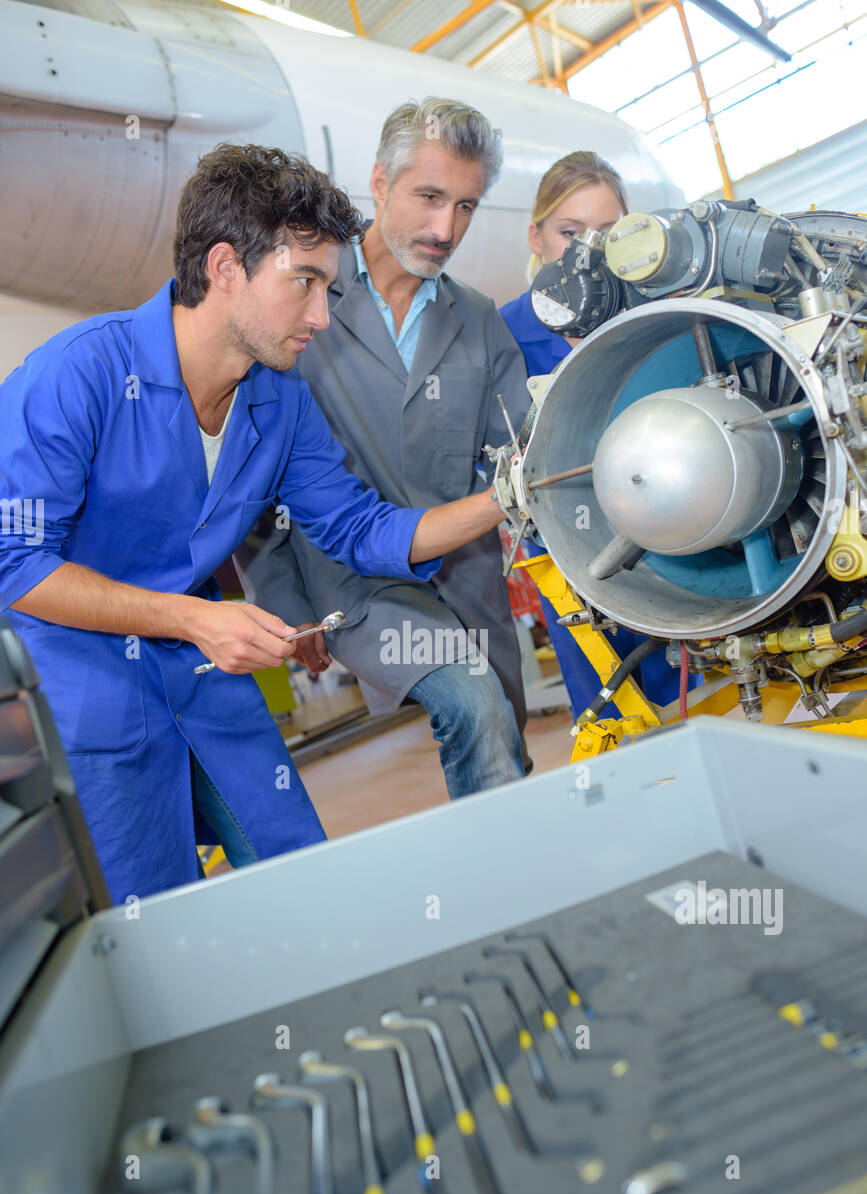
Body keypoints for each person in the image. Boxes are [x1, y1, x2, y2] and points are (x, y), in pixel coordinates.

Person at [0, 145, 510, 906]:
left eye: (328, 288)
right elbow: (14, 565)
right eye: (303, 282)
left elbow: (357, 529)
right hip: (81, 684)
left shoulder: (278, 397)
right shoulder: (77, 374)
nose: (319, 315)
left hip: (205, 678)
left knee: (302, 883)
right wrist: (194, 617)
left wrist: (509, 495)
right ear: (226, 266)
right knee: (150, 924)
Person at [248, 98, 532, 801]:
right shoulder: (306, 300)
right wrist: (282, 603)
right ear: (378, 183)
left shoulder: (478, 319)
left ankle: (513, 882)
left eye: (466, 206)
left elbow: (521, 454)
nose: (445, 229)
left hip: (466, 578)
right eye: (428, 197)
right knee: (474, 706)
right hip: (354, 584)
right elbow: (254, 471)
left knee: (504, 749)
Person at [500, 151, 697, 718]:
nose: (588, 247)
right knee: (608, 700)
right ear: (536, 237)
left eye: (608, 232)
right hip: (567, 544)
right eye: (569, 231)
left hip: (666, 522)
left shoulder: (655, 313)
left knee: (692, 685)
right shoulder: (502, 334)